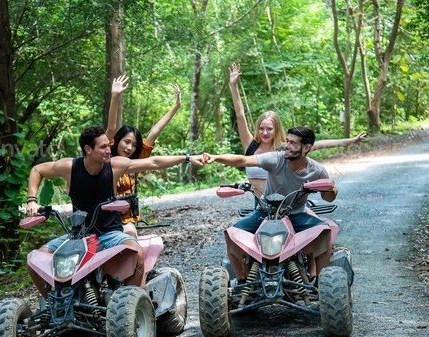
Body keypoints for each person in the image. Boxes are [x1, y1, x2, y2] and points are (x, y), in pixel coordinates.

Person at [26, 125, 203, 300]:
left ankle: (136, 303)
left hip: (109, 233)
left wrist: (187, 158)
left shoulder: (115, 166)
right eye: (103, 147)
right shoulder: (70, 167)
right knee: (37, 260)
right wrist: (32, 200)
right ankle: (54, 302)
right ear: (88, 149)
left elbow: (153, 162)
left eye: (108, 145)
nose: (108, 150)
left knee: (136, 252)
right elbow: (37, 170)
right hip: (79, 236)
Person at [204, 126, 337, 282]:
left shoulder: (317, 170)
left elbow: (328, 197)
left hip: (296, 215)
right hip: (265, 213)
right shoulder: (276, 159)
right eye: (287, 141)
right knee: (233, 234)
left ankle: (322, 283)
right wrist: (215, 157)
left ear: (306, 148)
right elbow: (243, 160)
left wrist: (331, 190)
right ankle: (241, 283)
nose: (287, 146)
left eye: (293, 143)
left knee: (324, 233)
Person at [228, 63, 365, 200]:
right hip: (262, 207)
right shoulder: (251, 146)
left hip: (288, 206)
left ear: (276, 130)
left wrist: (351, 141)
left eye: (269, 129)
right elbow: (240, 116)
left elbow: (321, 144)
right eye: (261, 128)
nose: (264, 132)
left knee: (316, 221)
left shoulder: (286, 149)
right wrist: (234, 86)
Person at [106, 78, 182, 238]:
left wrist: (175, 107)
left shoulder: (136, 161)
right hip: (104, 219)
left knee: (130, 237)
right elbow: (111, 128)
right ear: (118, 140)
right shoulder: (105, 155)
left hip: (126, 221)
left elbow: (154, 132)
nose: (129, 148)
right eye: (126, 142)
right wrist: (115, 97)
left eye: (134, 145)